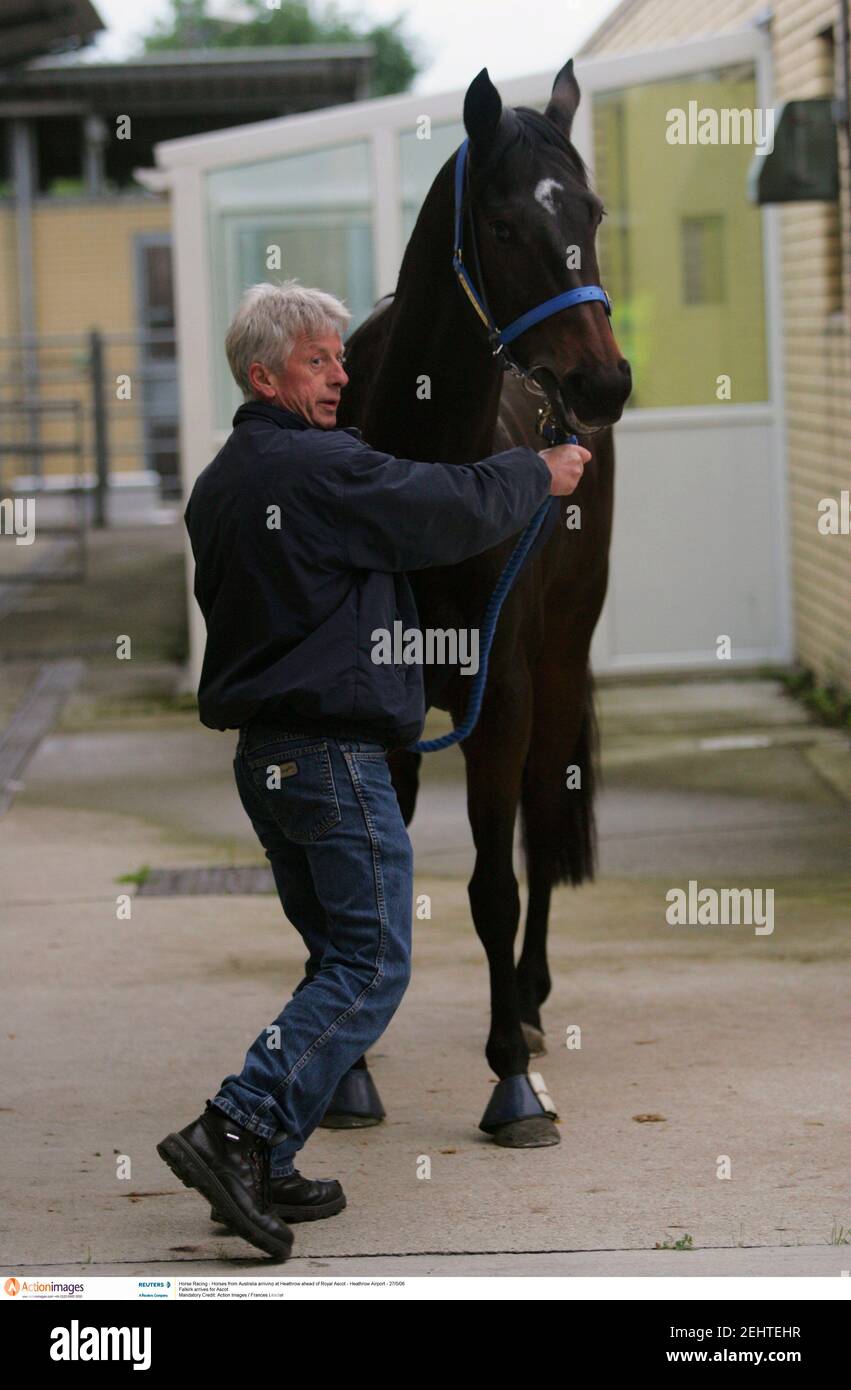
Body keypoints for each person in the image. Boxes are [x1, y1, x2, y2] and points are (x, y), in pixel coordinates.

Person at [157, 279, 591, 1260]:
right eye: (318, 360)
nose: (341, 375)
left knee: (330, 961)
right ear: (264, 374)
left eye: (338, 358)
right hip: (333, 762)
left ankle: (265, 1154)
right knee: (370, 964)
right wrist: (538, 471)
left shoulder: (222, 482)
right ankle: (232, 1128)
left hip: (266, 764)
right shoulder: (320, 470)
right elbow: (440, 502)